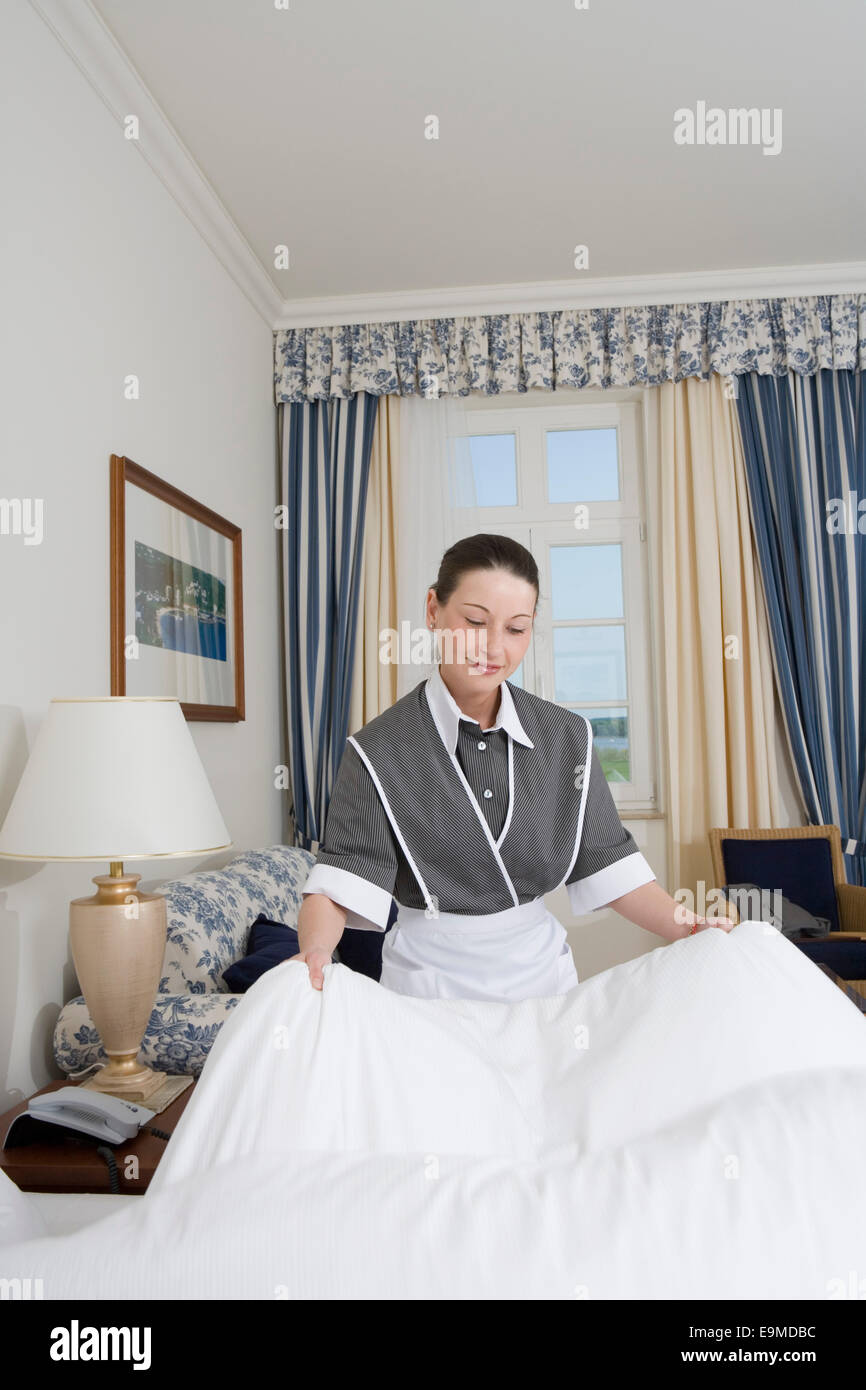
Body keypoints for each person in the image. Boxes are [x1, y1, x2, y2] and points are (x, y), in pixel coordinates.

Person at [294, 534, 735, 1001]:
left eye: (516, 628)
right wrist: (316, 951)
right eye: (475, 621)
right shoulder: (378, 750)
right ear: (432, 610)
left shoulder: (567, 738)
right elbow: (341, 882)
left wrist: (689, 927)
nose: (492, 648)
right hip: (425, 992)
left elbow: (610, 865)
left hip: (542, 986)